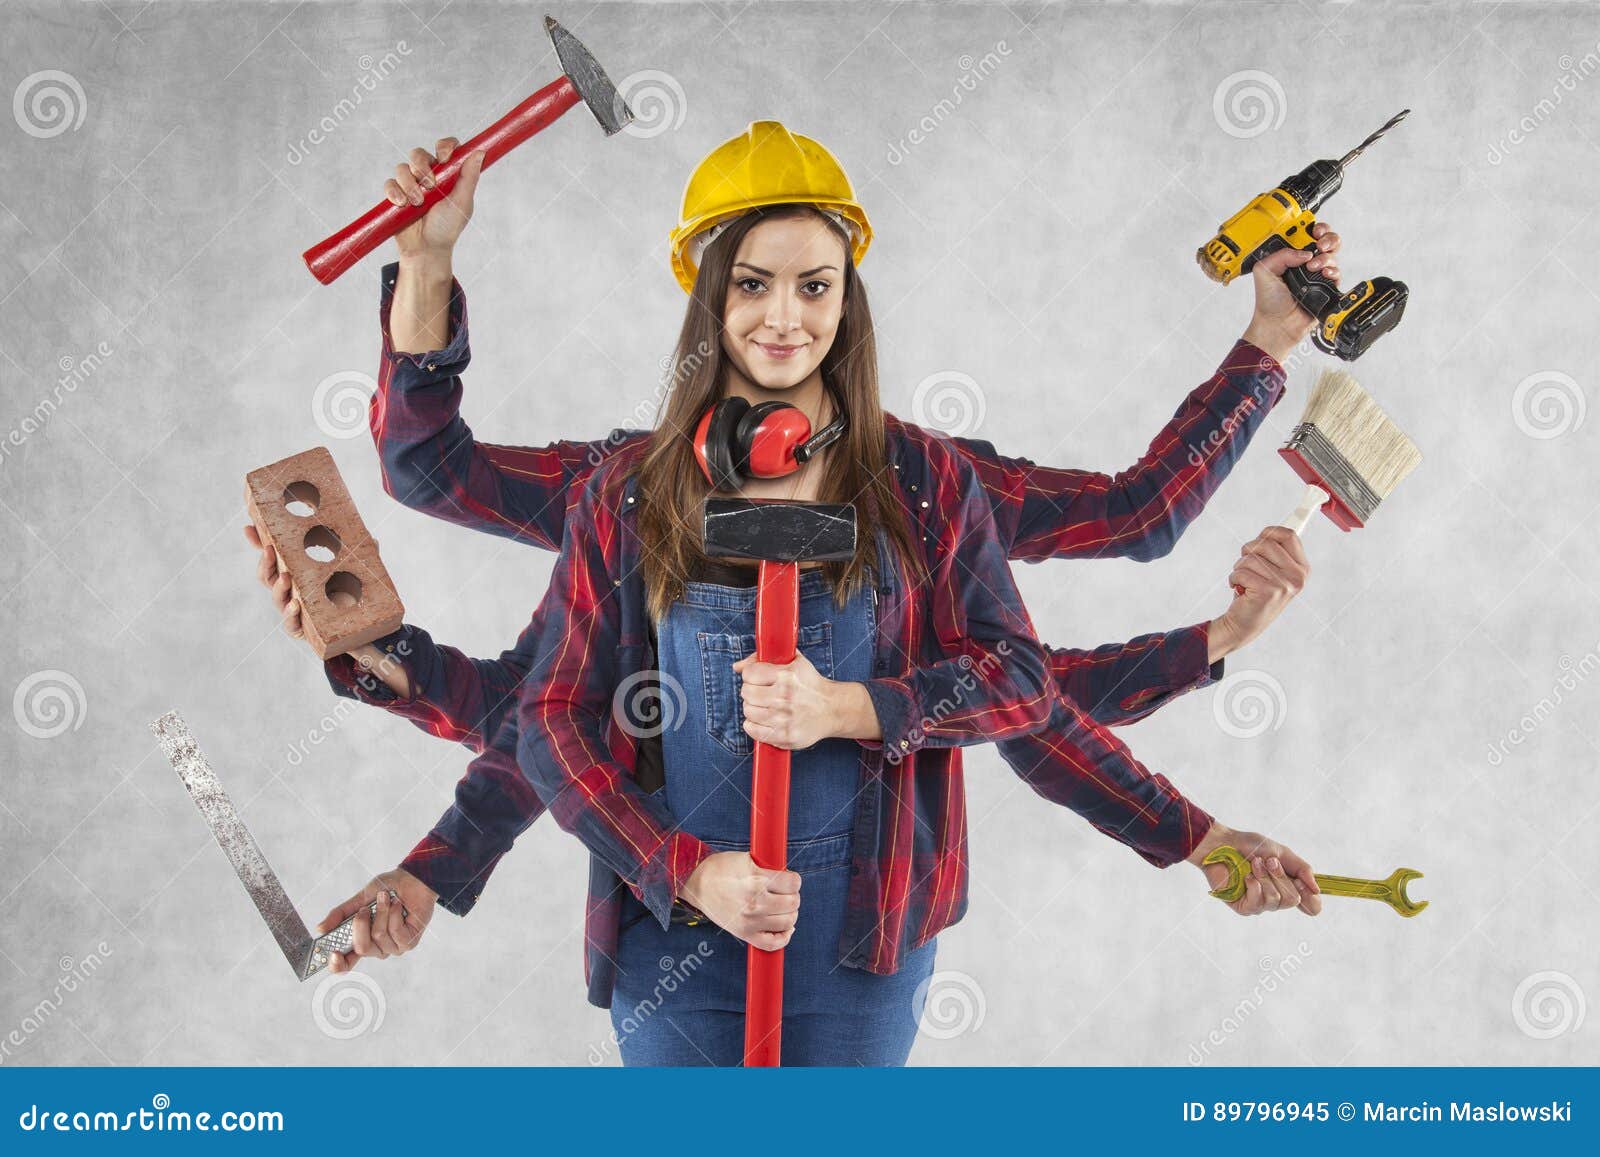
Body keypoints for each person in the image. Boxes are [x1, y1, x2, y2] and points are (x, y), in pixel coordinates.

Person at [259, 123, 1335, 1044]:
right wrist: (429, 264)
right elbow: (540, 699)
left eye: (814, 285)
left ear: (847, 296)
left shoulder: (919, 480)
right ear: (706, 295)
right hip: (674, 941)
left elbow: (1051, 644)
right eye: (751, 283)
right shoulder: (632, 491)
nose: (785, 317)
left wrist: (1270, 339)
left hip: (864, 943)